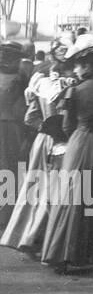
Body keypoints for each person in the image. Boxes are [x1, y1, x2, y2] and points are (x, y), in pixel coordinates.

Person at [41, 36, 93, 272]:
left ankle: (65, 253)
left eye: (78, 65)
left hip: (80, 142)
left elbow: (67, 125)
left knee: (72, 197)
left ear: (86, 66)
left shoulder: (74, 91)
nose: (76, 70)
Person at [1, 37, 74, 257]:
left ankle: (16, 221)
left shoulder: (29, 78)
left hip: (28, 133)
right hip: (17, 132)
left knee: (19, 178)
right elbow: (26, 113)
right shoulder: (24, 78)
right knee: (18, 175)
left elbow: (29, 113)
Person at [0, 41, 29, 231]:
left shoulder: (16, 78)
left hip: (9, 127)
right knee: (10, 169)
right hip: (11, 128)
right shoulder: (20, 79)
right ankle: (6, 212)